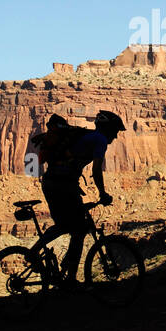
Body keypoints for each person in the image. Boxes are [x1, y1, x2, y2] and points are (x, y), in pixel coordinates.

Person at [39, 109, 126, 285]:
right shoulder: (100, 140)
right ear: (108, 129)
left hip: (57, 183)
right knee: (76, 229)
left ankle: (54, 266)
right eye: (115, 131)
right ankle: (68, 276)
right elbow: (96, 170)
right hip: (61, 184)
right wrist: (102, 194)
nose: (116, 137)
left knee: (71, 227)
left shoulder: (90, 137)